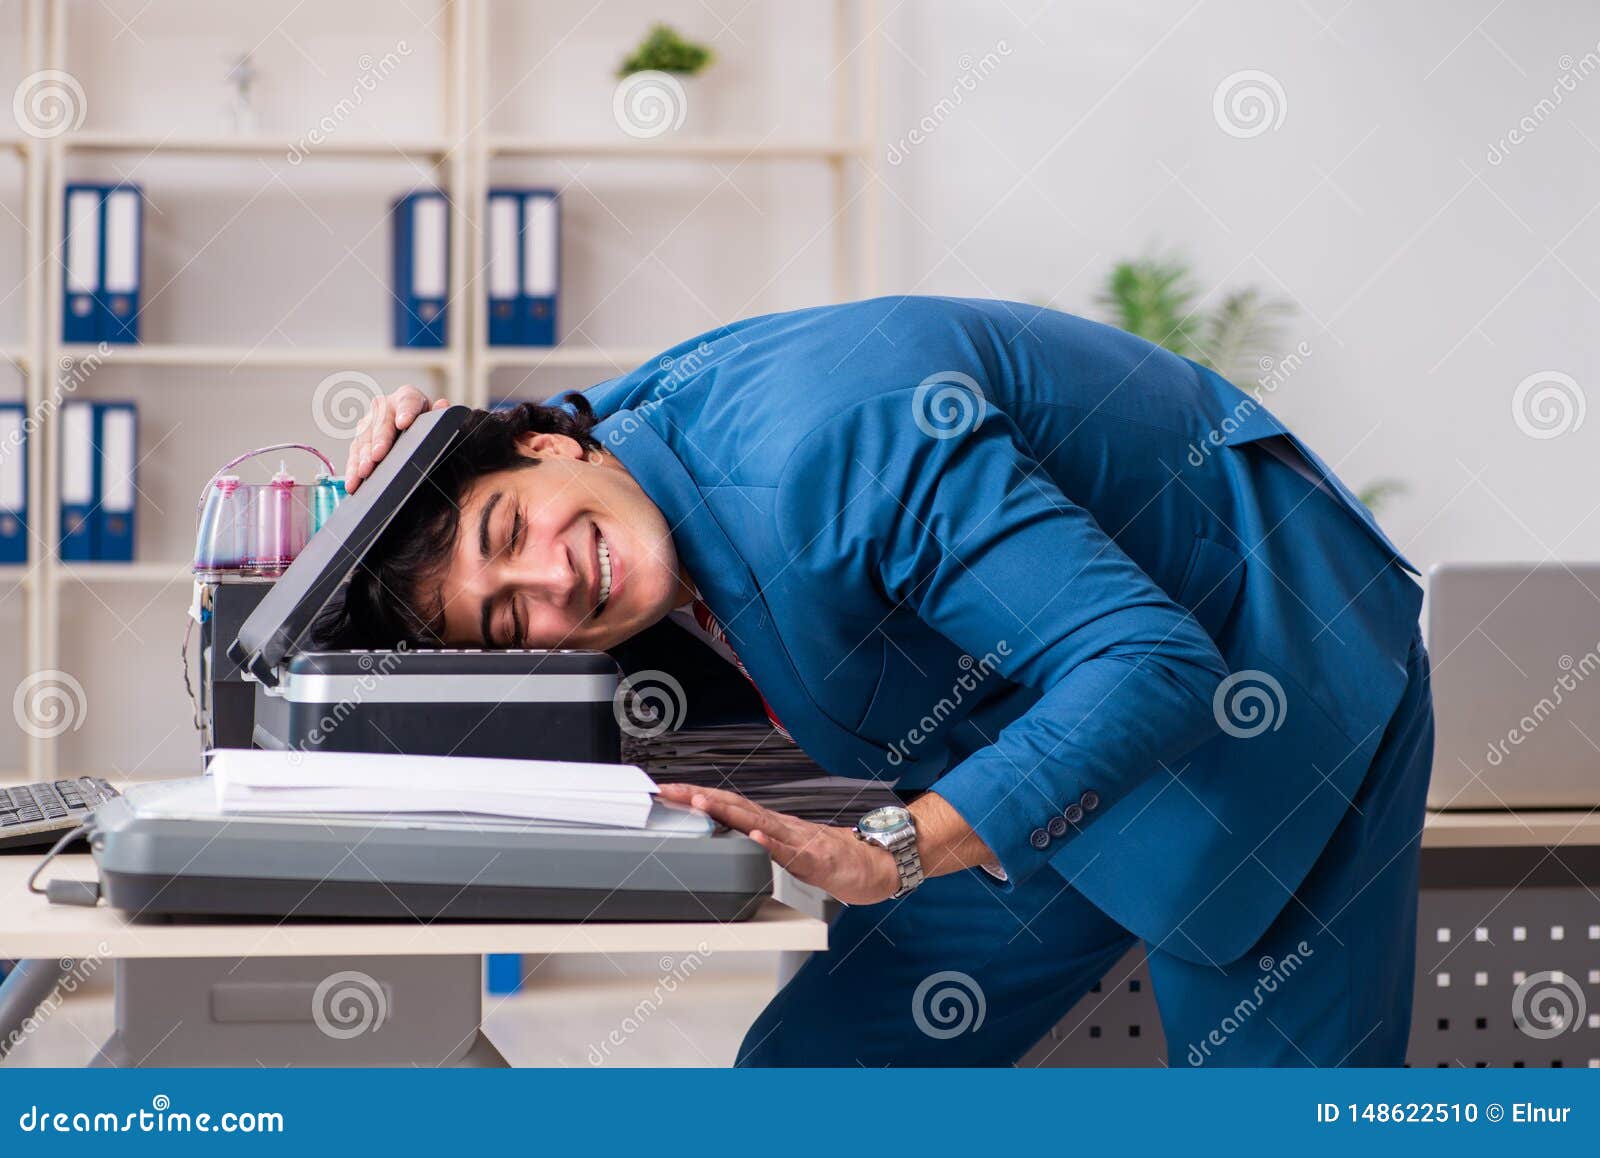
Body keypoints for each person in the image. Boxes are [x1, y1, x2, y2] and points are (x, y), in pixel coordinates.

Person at [341, 295, 1433, 1067]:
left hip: (1263, 665)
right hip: (1032, 737)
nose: (553, 579)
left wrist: (892, 852)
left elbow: (1147, 665)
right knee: (816, 1082)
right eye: (507, 615)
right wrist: (403, 481)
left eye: (507, 531)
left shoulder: (836, 455)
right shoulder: (609, 443)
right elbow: (526, 478)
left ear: (545, 452)